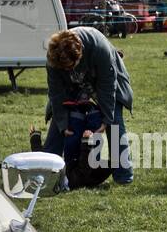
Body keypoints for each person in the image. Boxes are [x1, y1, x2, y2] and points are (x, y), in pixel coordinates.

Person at [44, 27, 134, 185]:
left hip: (107, 80)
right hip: (72, 86)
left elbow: (108, 87)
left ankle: (123, 175)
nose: (68, 70)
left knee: (114, 122)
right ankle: (46, 172)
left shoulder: (99, 48)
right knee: (58, 125)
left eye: (71, 66)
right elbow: (56, 94)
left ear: (80, 53)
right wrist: (63, 123)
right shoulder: (53, 58)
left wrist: (106, 119)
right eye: (64, 69)